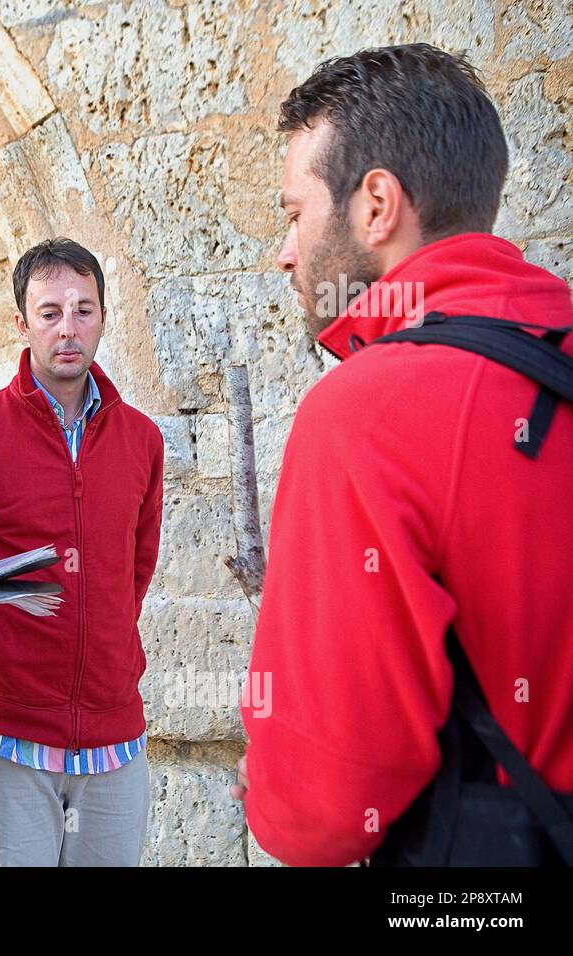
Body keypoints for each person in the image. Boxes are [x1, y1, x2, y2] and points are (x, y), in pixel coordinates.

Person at [234, 44, 573, 865]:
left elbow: (320, 809)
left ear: (376, 203)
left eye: (292, 213)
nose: (285, 251)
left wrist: (271, 790)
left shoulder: (366, 415)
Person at [0, 237, 164, 866]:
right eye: (50, 312)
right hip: (3, 740)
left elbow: (133, 575)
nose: (68, 328)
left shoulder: (142, 441)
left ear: (105, 316)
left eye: (84, 309)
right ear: (21, 324)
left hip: (112, 741)